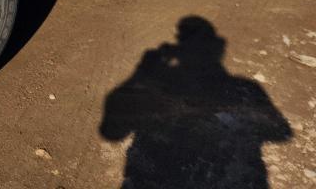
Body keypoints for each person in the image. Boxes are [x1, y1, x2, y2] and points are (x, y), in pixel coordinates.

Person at [100, 16, 290, 189]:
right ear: (218, 47)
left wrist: (141, 73)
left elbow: (112, 132)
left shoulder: (163, 80)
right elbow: (281, 132)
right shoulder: (246, 87)